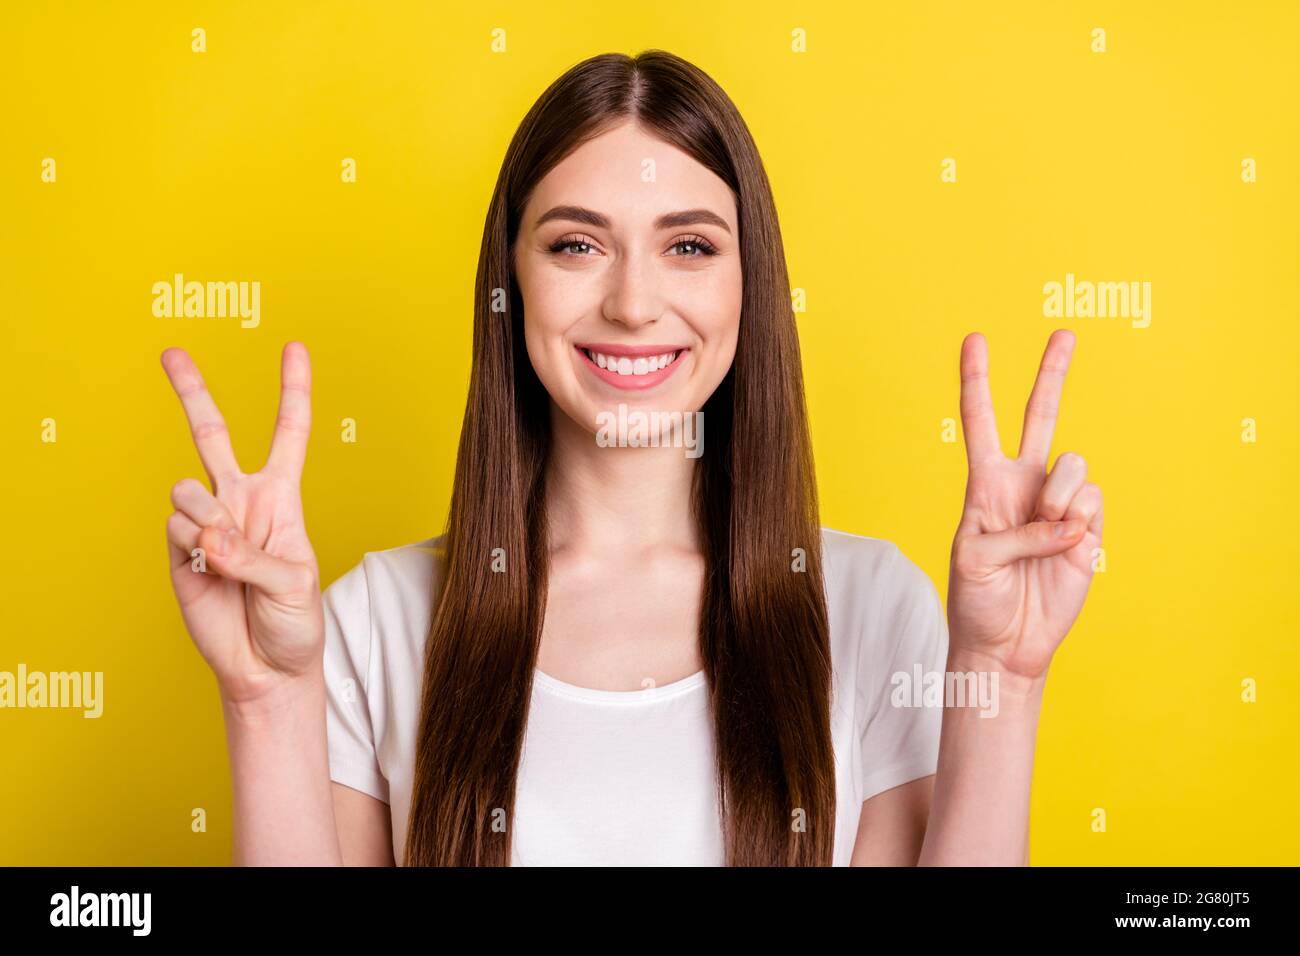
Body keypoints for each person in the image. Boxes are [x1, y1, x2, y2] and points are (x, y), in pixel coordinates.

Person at [160, 50, 1102, 866]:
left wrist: (1004, 680)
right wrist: (266, 698)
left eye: (689, 245)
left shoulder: (866, 606)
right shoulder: (371, 624)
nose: (634, 304)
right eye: (577, 245)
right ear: (511, 283)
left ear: (750, 282)